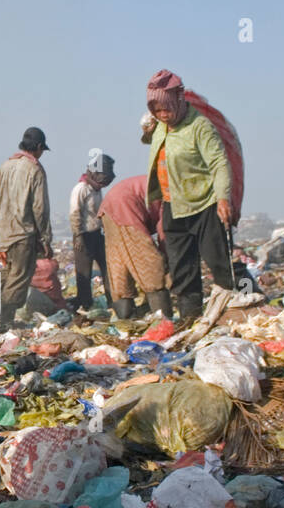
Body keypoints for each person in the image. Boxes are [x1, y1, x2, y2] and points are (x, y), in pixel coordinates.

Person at [141, 69, 234, 322]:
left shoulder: (200, 127)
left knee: (219, 263)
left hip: (204, 205)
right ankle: (190, 319)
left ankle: (237, 312)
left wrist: (223, 198)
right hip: (173, 206)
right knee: (182, 269)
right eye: (156, 110)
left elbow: (219, 163)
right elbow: (154, 143)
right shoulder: (161, 126)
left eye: (166, 109)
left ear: (178, 102)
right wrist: (149, 129)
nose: (162, 114)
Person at [0, 127, 53, 329]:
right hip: (22, 232)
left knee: (7, 276)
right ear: (39, 147)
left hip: (3, 233)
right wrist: (45, 238)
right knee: (18, 278)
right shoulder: (34, 169)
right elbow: (40, 209)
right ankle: (5, 321)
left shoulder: (5, 166)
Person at [98, 173, 170, 319]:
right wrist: (167, 257)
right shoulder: (170, 194)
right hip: (126, 205)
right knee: (150, 262)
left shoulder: (160, 182)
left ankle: (126, 317)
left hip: (108, 206)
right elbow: (165, 229)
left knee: (119, 262)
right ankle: (163, 318)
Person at [69, 153, 115, 311]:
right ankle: (85, 306)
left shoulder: (96, 190)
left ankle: (112, 301)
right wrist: (78, 237)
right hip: (83, 236)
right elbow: (75, 213)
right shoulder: (81, 189)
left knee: (108, 267)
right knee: (84, 274)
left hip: (96, 235)